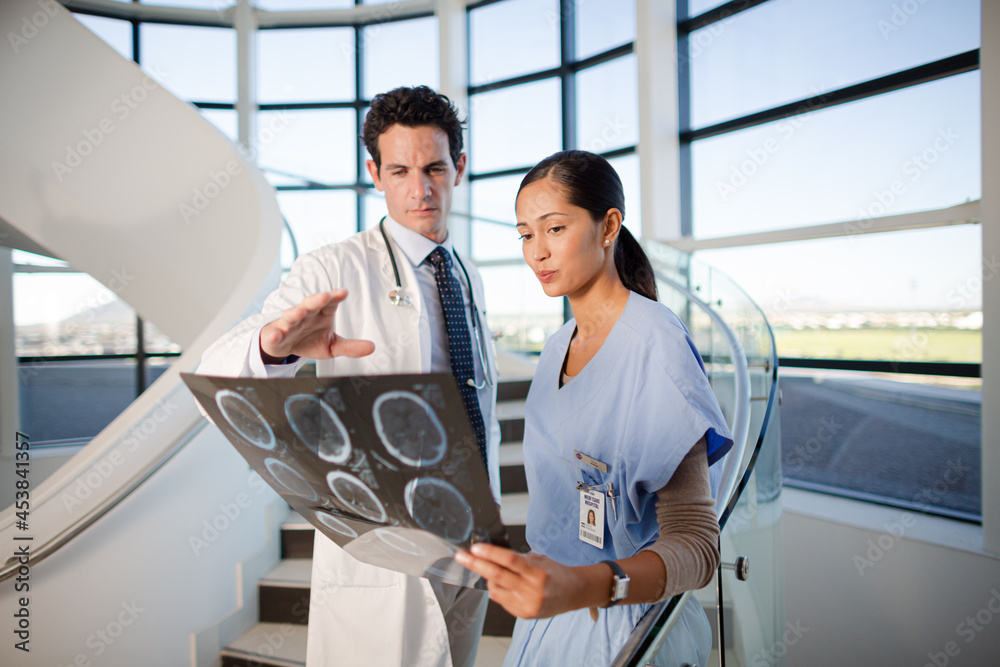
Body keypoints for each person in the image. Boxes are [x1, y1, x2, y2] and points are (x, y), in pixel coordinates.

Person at [197, 86, 501, 667]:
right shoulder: (334, 266)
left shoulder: (467, 277)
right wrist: (276, 346)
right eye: (401, 170)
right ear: (374, 173)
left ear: (459, 167)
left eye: (436, 167)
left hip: (471, 529)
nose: (422, 188)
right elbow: (222, 361)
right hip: (388, 538)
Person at [454, 150, 733, 666]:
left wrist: (584, 586)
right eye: (525, 235)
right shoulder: (556, 349)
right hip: (555, 620)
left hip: (628, 618)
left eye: (554, 228)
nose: (537, 252)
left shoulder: (656, 343)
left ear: (608, 226)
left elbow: (698, 548)